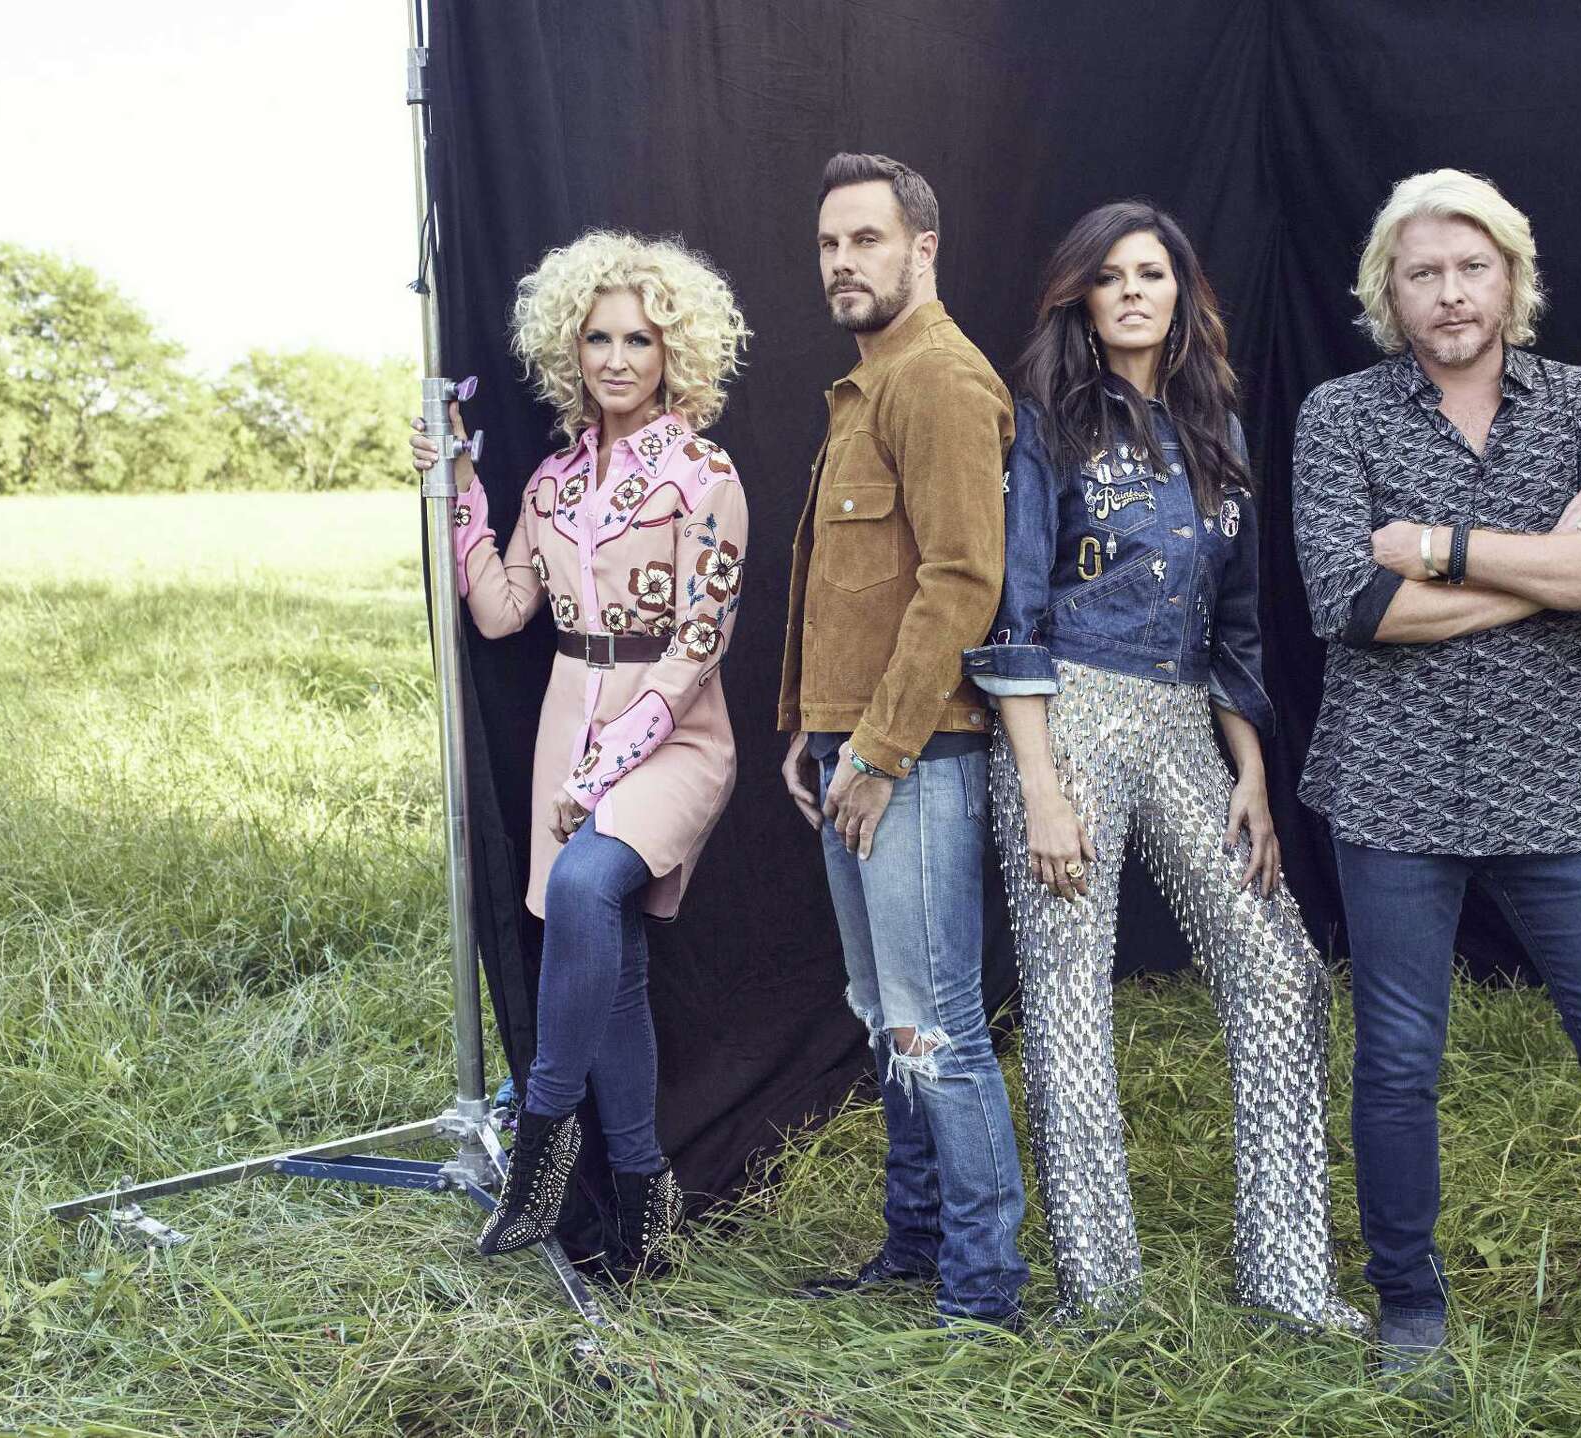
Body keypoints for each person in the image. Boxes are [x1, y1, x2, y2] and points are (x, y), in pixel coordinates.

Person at [1291, 168, 1581, 1392]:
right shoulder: (1340, 416)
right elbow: (1349, 603)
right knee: (1399, 1061)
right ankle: (1408, 1304)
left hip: (1559, 786)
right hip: (1391, 787)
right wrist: (1546, 566)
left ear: (1512, 279)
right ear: (1389, 294)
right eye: (1424, 273)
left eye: (1473, 268)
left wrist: (1441, 550)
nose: (1451, 292)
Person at [964, 200, 1367, 1334]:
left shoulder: (1217, 428)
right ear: (1082, 299)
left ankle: (1288, 1276)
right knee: (1068, 1000)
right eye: (1111, 276)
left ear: (1181, 293)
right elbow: (1016, 607)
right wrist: (1040, 788)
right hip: (1067, 715)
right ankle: (1100, 1296)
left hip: (1188, 716)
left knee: (1282, 972)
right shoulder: (1044, 421)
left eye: (1151, 272)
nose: (1133, 291)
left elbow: (1237, 625)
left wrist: (1252, 776)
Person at [408, 230, 750, 1273]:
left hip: (675, 729)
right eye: (599, 338)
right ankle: (647, 1196)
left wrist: (604, 770)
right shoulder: (552, 483)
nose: (616, 358)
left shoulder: (705, 475)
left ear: (673, 352)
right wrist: (461, 485)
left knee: (588, 884)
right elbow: (501, 611)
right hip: (568, 719)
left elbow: (700, 643)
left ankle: (541, 1138)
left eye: (639, 340)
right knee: (616, 962)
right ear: (572, 348)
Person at [776, 152, 1029, 1330]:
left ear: (923, 248)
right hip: (855, 742)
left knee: (939, 1027)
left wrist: (874, 753)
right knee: (889, 1021)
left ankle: (982, 1293)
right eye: (830, 244)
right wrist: (812, 722)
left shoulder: (937, 378)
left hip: (916, 754)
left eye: (866, 240)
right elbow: (852, 584)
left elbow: (961, 582)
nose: (843, 262)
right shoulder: (869, 381)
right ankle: (915, 1248)